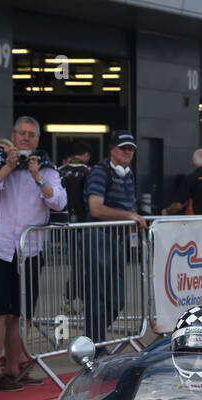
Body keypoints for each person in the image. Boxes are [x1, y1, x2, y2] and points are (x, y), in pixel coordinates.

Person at [0, 116, 65, 390]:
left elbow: (59, 201)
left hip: (31, 249)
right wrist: (7, 168)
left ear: (37, 140)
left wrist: (37, 176)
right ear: (13, 136)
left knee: (21, 313)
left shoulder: (47, 167)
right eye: (21, 134)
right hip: (0, 247)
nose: (26, 138)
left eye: (31, 135)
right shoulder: (0, 160)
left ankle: (13, 368)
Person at [84, 129, 146, 346]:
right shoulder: (100, 172)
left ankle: (93, 341)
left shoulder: (129, 174)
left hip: (118, 241)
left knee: (117, 300)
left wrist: (131, 222)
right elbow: (95, 209)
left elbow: (127, 207)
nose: (128, 152)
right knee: (97, 297)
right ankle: (95, 345)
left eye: (131, 149)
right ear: (112, 150)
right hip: (98, 237)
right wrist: (129, 216)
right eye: (123, 148)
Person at [163, 149, 202, 215]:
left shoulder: (190, 179)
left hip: (195, 220)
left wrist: (166, 211)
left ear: (192, 162)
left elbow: (178, 205)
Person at [55, 141, 91, 223]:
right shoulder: (90, 171)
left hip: (62, 215)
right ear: (86, 155)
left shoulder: (58, 170)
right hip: (84, 217)